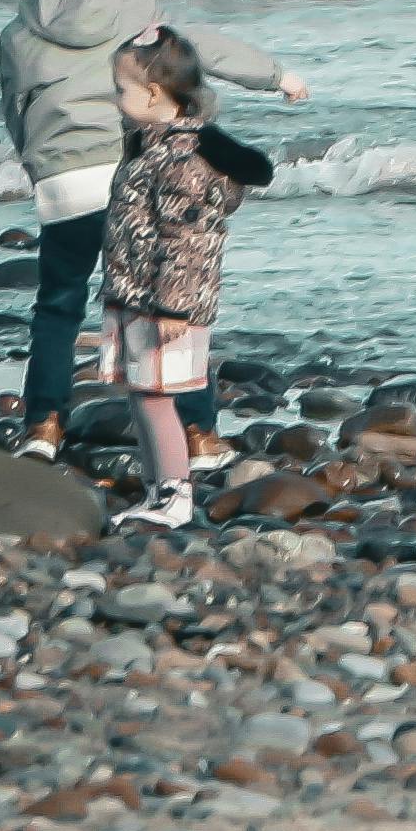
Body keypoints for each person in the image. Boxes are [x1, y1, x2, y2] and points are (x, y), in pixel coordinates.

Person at [0, 0, 301, 463]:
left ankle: (42, 427)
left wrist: (37, 163)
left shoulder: (17, 33)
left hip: (64, 182)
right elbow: (201, 51)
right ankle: (201, 435)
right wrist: (276, 75)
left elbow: (17, 109)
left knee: (58, 305)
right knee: (166, 302)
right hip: (136, 174)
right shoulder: (136, 12)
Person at [96, 30, 269, 530]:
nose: (117, 101)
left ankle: (175, 493)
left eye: (122, 90)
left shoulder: (182, 158)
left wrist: (172, 307)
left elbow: (185, 240)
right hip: (136, 293)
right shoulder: (150, 147)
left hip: (166, 303)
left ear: (154, 95)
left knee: (156, 396)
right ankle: (157, 489)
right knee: (141, 391)